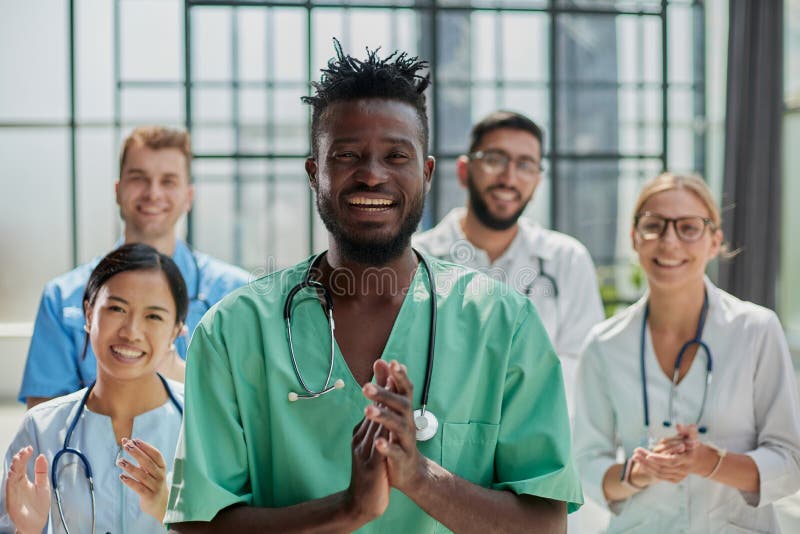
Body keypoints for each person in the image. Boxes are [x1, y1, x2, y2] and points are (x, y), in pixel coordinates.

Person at [165, 41, 582, 532]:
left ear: (426, 174)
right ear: (314, 172)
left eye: (395, 155)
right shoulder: (233, 332)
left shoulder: (503, 325)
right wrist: (349, 510)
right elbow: (196, 525)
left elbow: (545, 525)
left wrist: (420, 476)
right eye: (346, 155)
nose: (371, 175)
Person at [573, 173, 800, 533]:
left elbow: (791, 462)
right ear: (634, 238)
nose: (669, 241)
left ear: (715, 241)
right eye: (654, 226)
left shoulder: (756, 330)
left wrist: (708, 461)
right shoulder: (605, 345)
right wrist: (638, 473)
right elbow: (585, 463)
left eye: (688, 228)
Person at [19, 126, 249, 408]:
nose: (153, 193)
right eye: (138, 178)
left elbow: (251, 407)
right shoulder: (62, 298)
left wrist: (180, 374)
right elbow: (45, 426)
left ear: (188, 197)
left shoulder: (237, 294)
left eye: (168, 181)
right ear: (118, 190)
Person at [413, 110, 604, 410]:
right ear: (464, 171)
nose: (509, 178)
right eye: (494, 160)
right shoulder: (415, 258)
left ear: (538, 180)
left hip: (533, 441)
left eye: (525, 165)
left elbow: (582, 369)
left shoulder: (567, 260)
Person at [1, 243, 187, 533]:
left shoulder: (203, 422)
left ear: (177, 330)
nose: (131, 332)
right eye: (117, 308)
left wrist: (167, 508)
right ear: (88, 314)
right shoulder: (42, 427)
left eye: (153, 316)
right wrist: (27, 529)